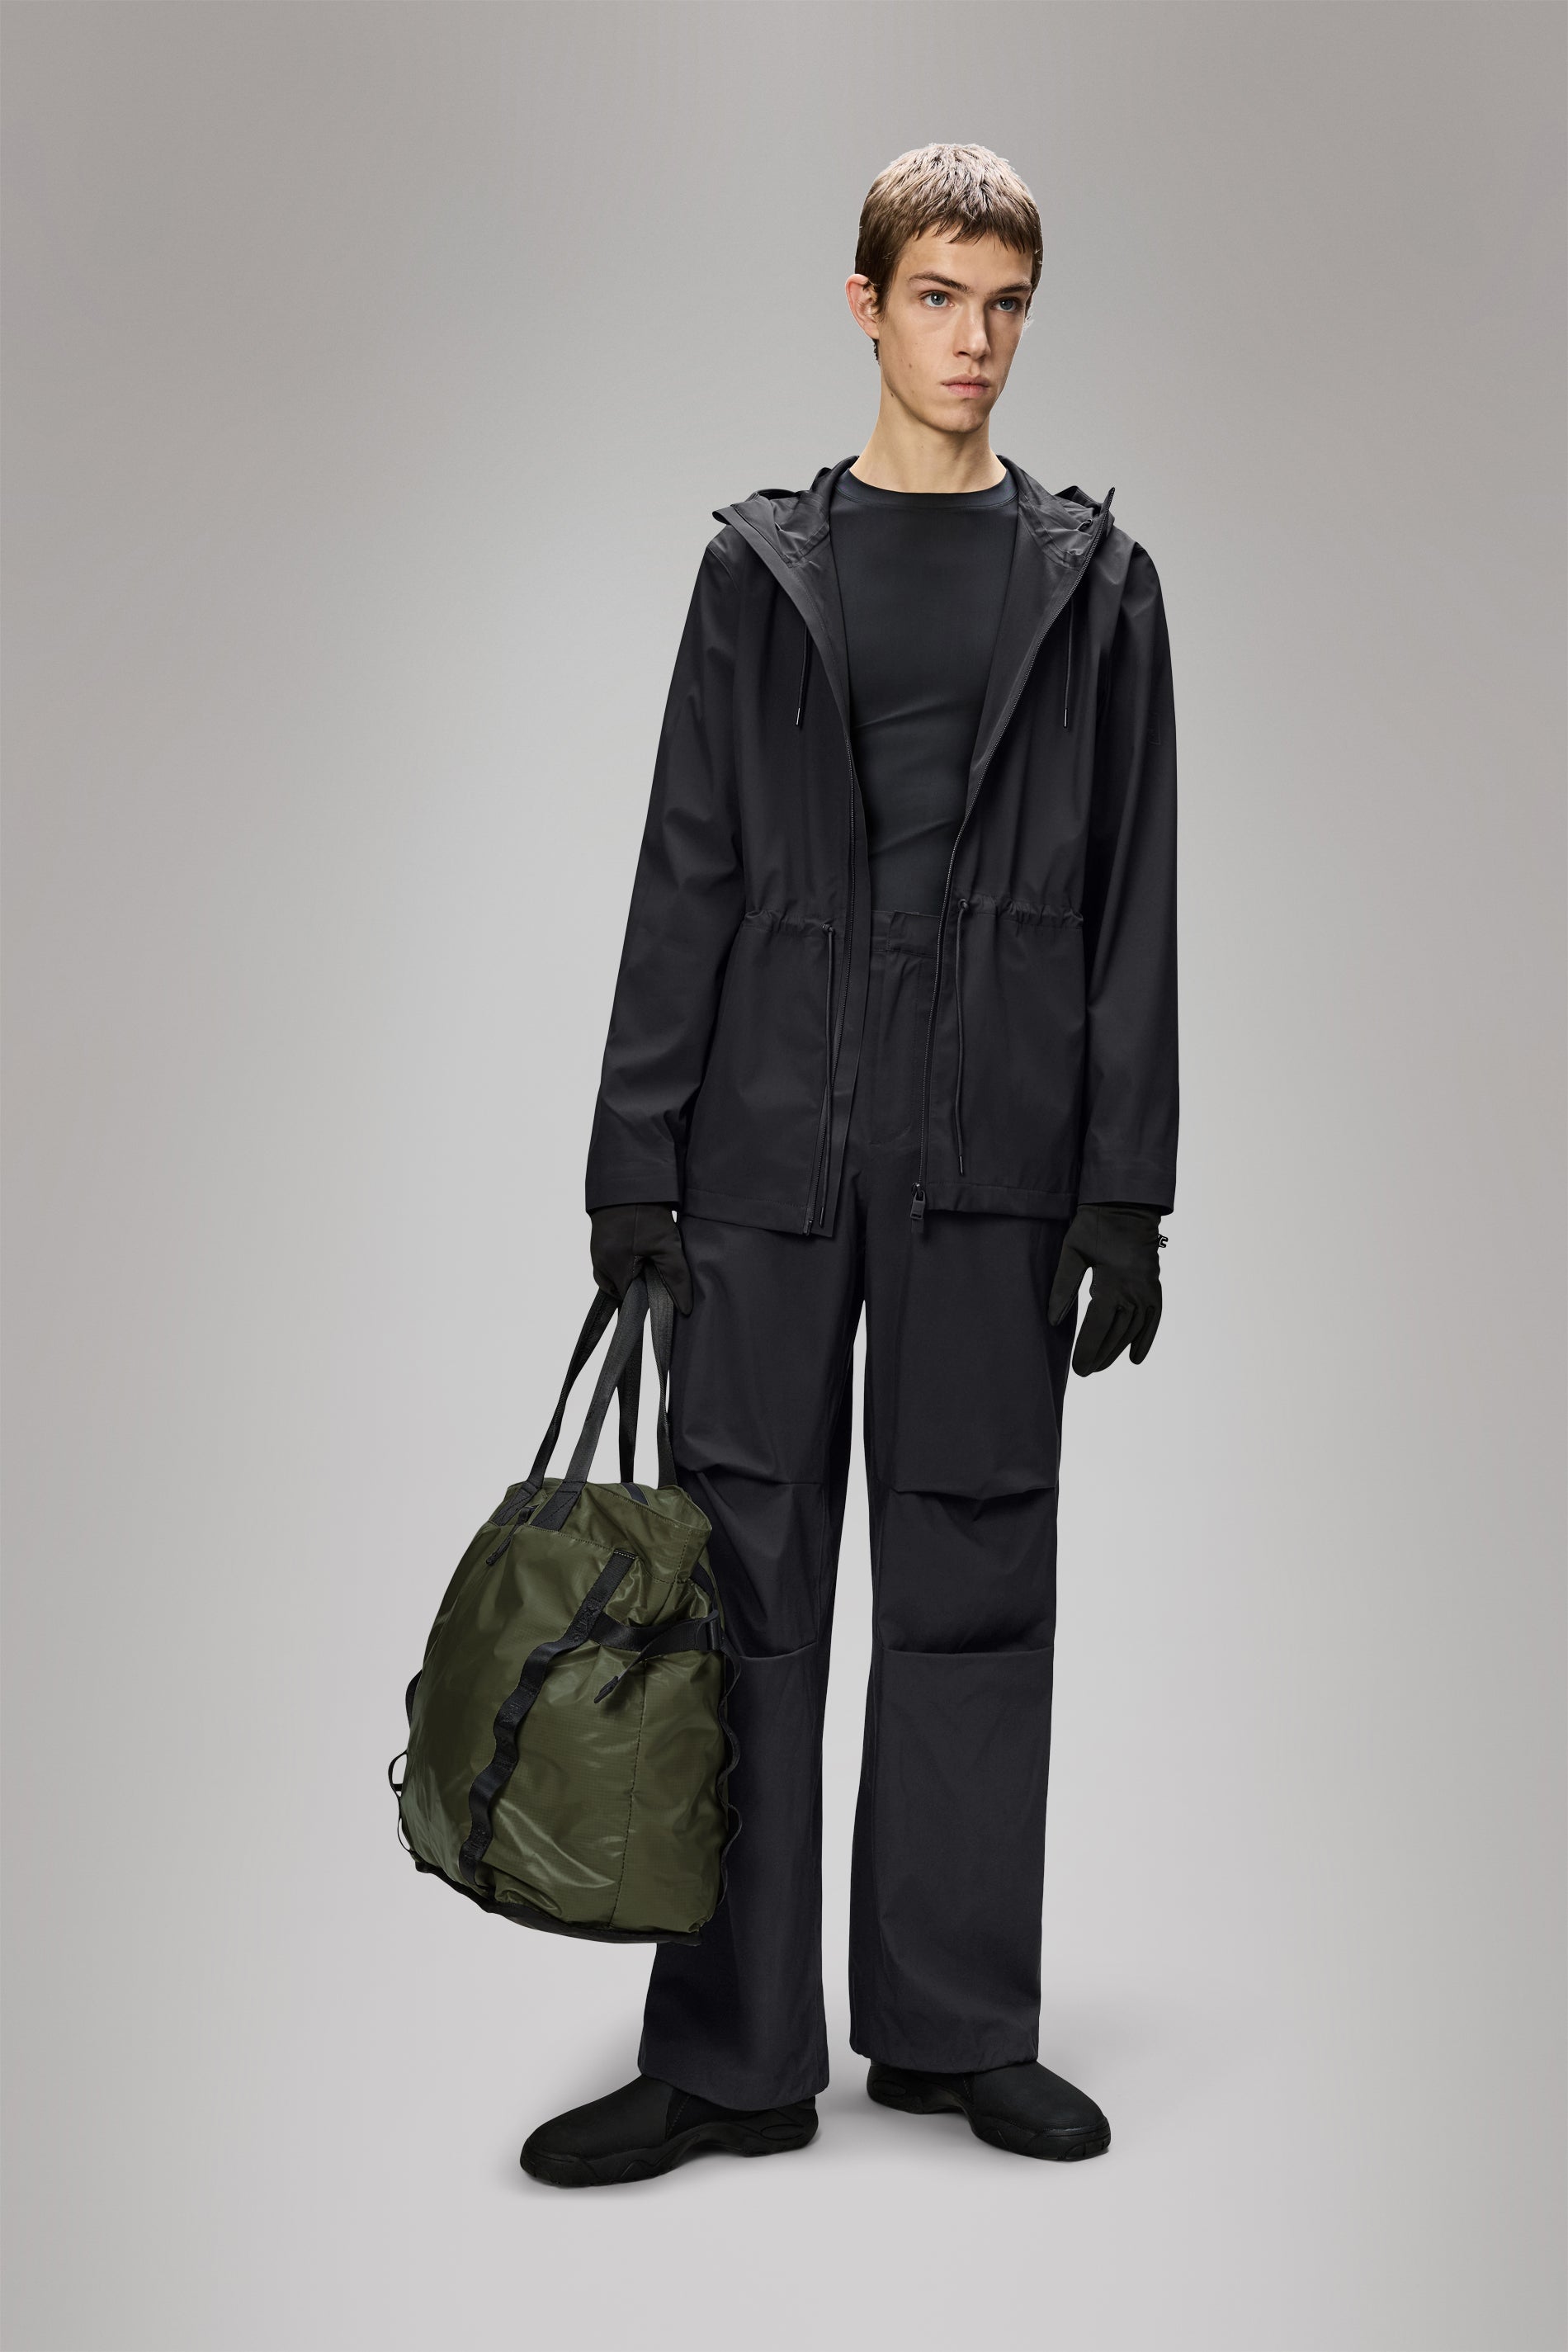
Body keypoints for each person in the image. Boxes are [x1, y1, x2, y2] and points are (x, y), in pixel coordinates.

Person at [520, 143, 1178, 2191]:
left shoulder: (1095, 586)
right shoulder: (757, 571)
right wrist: (632, 1168)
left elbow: (1132, 900)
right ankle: (729, 2057)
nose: (973, 341)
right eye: (938, 298)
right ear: (865, 303)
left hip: (991, 1140)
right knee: (738, 1587)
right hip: (765, 1138)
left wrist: (1124, 1185)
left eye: (1005, 304)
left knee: (973, 1577)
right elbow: (685, 869)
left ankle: (953, 2027)